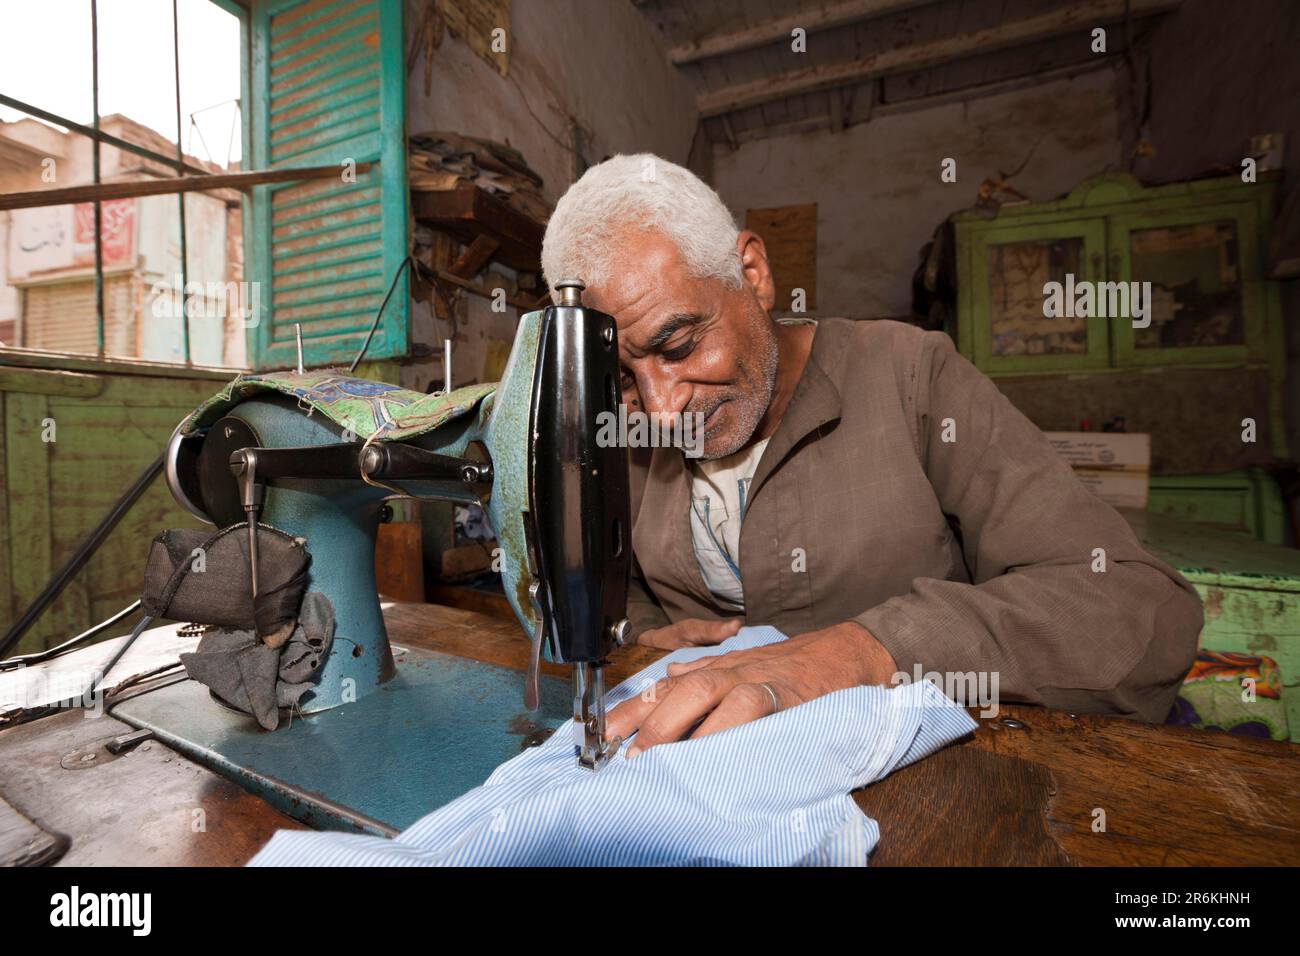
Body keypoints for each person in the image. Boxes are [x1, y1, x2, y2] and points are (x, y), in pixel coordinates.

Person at [539, 154, 1203, 759]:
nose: (660, 410)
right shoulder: (627, 432)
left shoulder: (911, 378)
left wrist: (864, 651)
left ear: (753, 274)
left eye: (680, 345)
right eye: (623, 377)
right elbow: (624, 589)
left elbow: (1134, 605)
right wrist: (651, 637)